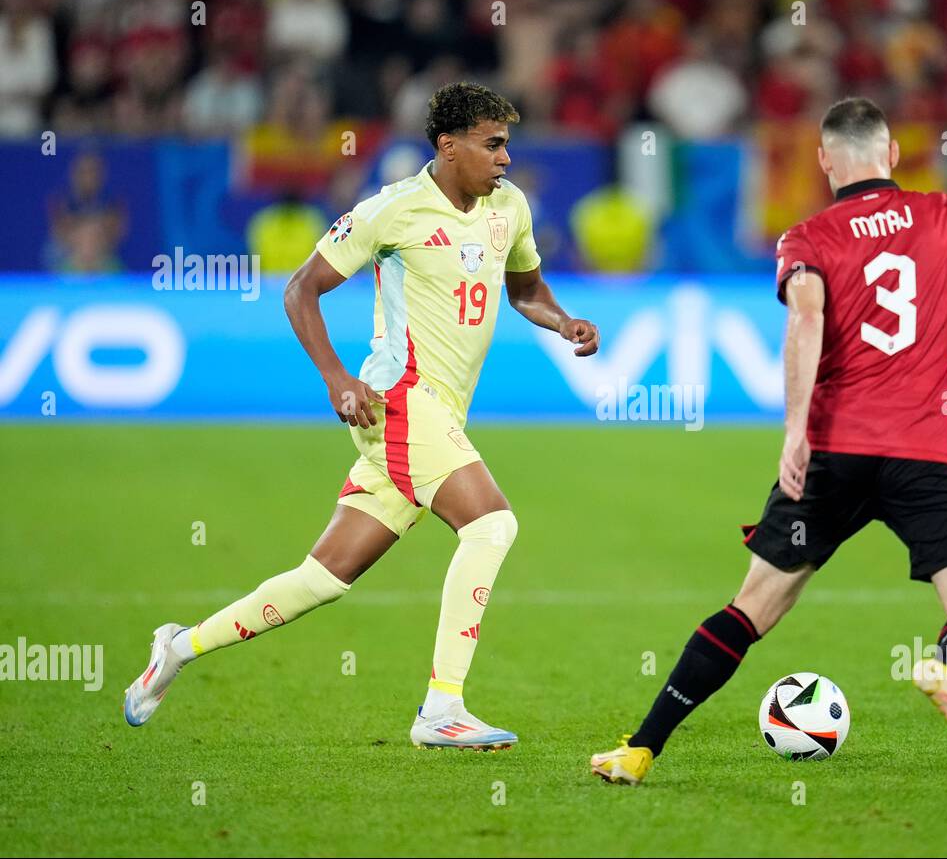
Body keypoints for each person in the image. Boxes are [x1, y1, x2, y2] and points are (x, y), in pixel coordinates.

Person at [591, 97, 947, 784]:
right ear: (893, 154)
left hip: (833, 452)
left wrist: (793, 428)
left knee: (750, 608)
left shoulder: (807, 237)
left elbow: (805, 322)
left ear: (823, 160)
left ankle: (640, 747)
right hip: (928, 448)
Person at [124, 82, 600, 750]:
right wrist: (335, 376)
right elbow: (301, 290)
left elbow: (525, 289)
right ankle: (441, 708)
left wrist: (565, 322)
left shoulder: (509, 208)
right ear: (448, 145)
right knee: (491, 523)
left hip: (439, 415)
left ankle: (177, 646)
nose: (505, 159)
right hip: (395, 399)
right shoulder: (394, 209)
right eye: (492, 145)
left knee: (322, 578)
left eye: (507, 145)